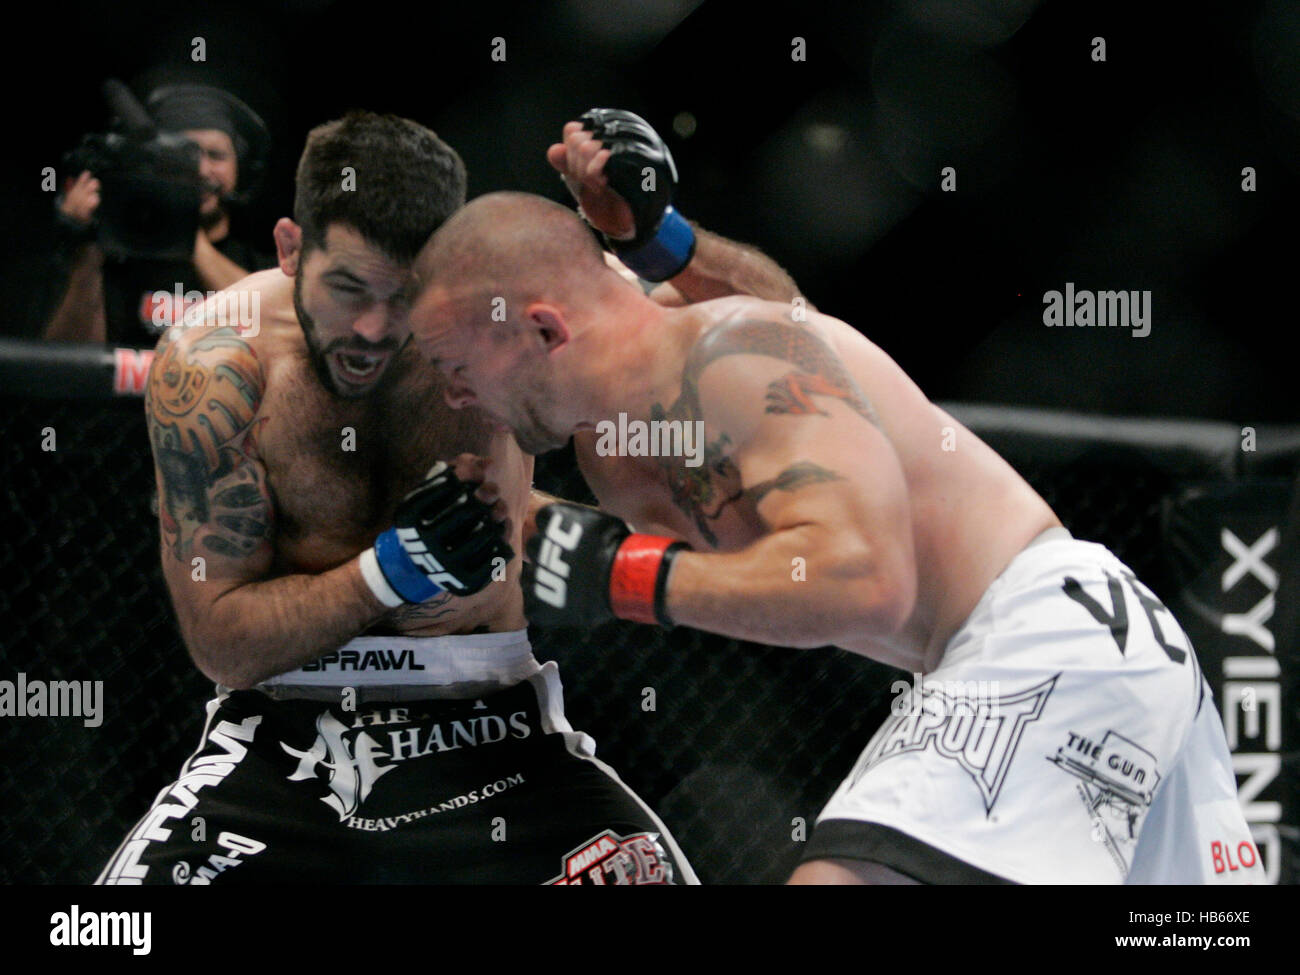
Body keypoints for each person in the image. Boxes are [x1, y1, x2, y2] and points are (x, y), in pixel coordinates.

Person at [409, 186, 1265, 885]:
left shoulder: (740, 356)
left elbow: (864, 580)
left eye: (455, 368)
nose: (451, 397)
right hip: (1103, 653)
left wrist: (611, 570)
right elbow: (787, 309)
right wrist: (663, 239)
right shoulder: (626, 411)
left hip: (1046, 643)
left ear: (547, 330)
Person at [96, 111, 697, 884]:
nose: (375, 329)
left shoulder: (510, 318)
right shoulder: (216, 363)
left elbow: (773, 338)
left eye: (406, 293)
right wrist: (390, 573)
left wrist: (660, 236)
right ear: (289, 248)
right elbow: (222, 642)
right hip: (284, 739)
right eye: (348, 287)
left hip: (495, 721)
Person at [44, 84, 273, 346]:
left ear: (239, 169)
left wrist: (184, 230)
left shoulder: (265, 270)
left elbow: (272, 327)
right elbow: (69, 364)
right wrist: (88, 248)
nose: (201, 169)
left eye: (216, 155)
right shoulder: (116, 260)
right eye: (185, 156)